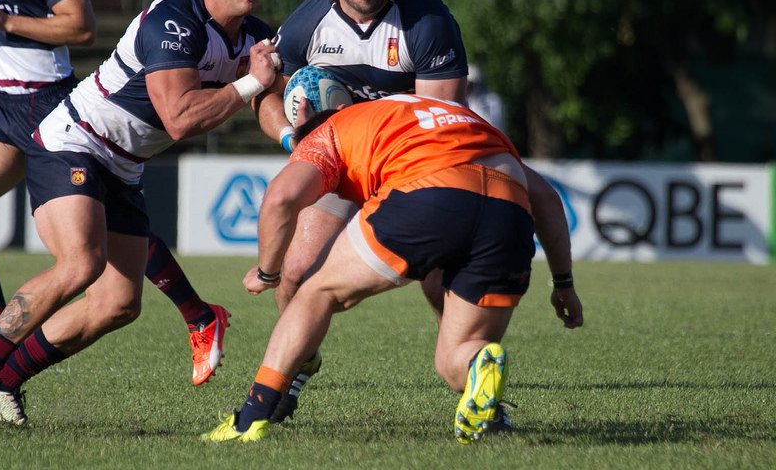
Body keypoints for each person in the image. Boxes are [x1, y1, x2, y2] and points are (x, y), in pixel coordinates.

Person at [0, 0, 278, 427]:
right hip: (72, 142)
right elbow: (181, 118)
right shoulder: (174, 21)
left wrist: (293, 131)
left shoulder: (253, 35)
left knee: (120, 303)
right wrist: (253, 85)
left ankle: (6, 379)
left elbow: (266, 96)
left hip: (122, 165)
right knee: (81, 263)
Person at [252, 0, 573, 422]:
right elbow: (268, 93)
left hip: (418, 166)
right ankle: (295, 371)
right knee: (296, 273)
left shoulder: (427, 22)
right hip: (347, 156)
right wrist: (295, 134)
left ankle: (477, 391)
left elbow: (445, 124)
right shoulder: (304, 27)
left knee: (438, 278)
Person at [202, 95, 584, 443]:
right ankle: (477, 363)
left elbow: (282, 197)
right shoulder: (441, 114)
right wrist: (563, 284)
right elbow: (548, 200)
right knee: (454, 357)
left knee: (316, 291)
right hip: (508, 207)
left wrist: (267, 272)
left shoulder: (328, 132)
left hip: (429, 190)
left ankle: (249, 419)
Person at [466, 65, 506, 132]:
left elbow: (495, 124)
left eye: (470, 84)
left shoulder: (492, 101)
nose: (468, 88)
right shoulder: (464, 103)